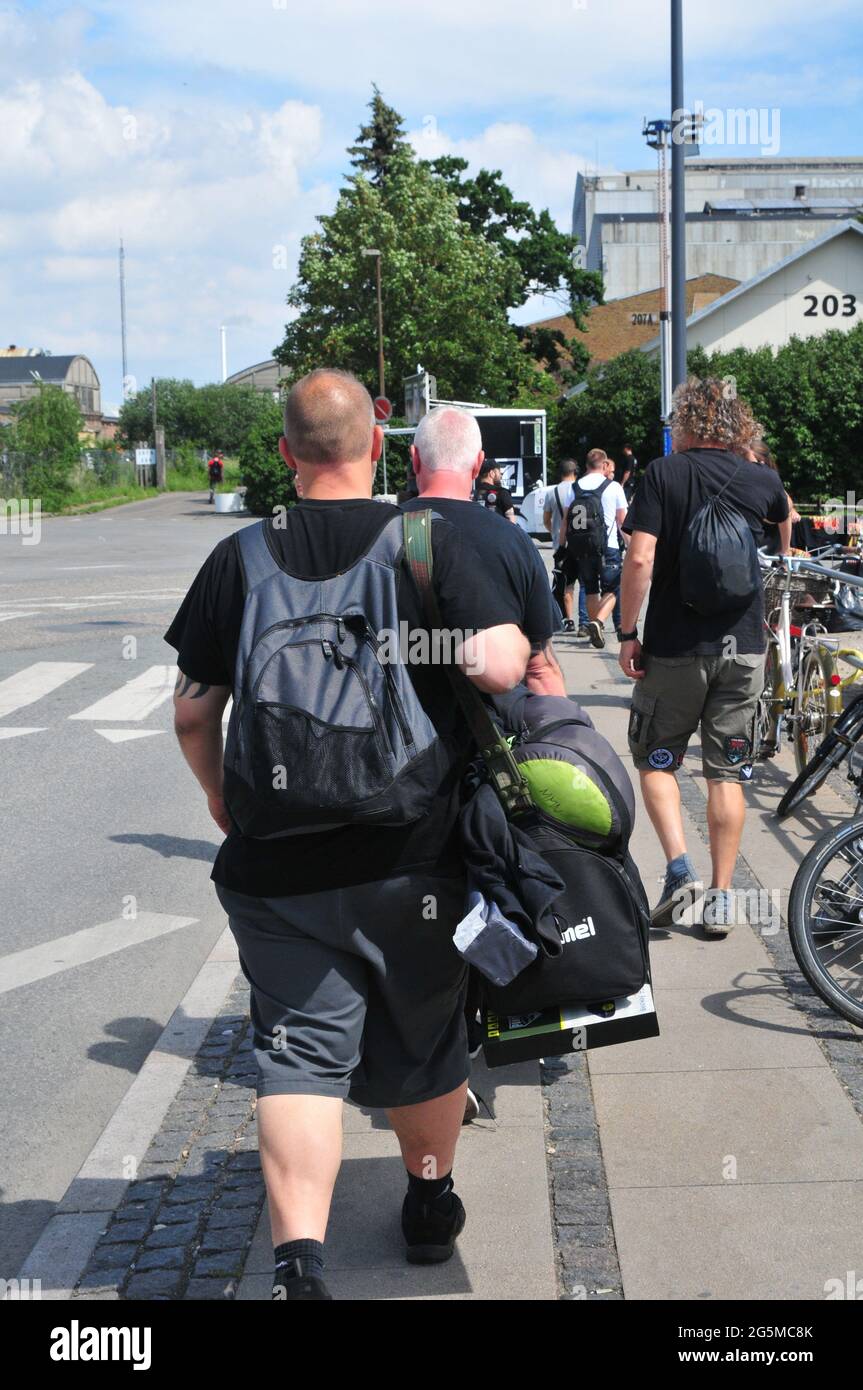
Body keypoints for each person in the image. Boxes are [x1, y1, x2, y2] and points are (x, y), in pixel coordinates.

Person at [166, 369, 530, 1300]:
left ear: (285, 454)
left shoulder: (239, 556)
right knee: (425, 1041)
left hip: (276, 865)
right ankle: (427, 1200)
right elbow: (497, 664)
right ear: (380, 445)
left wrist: (220, 802)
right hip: (415, 855)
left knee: (295, 1055)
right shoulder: (421, 538)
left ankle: (297, 1266)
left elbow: (194, 714)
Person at [405, 406, 567, 1113]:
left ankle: (427, 1057)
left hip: (393, 766)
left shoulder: (385, 534)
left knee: (414, 917)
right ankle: (470, 1041)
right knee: (484, 895)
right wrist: (566, 745)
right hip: (485, 763)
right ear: (477, 468)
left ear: (413, 466)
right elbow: (538, 665)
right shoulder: (506, 539)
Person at [617, 378, 791, 935]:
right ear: (738, 423)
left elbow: (640, 558)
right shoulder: (760, 477)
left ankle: (679, 870)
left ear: (684, 422)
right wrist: (784, 558)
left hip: (674, 649)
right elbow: (783, 511)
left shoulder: (663, 474)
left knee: (658, 758)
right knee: (726, 774)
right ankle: (720, 897)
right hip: (744, 649)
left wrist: (626, 630)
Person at [560, 447, 628, 650]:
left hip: (581, 548)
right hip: (608, 547)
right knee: (613, 588)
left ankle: (593, 630)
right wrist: (633, 546)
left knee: (590, 589)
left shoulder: (574, 488)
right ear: (605, 465)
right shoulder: (613, 486)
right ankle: (598, 622)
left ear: (587, 464)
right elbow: (623, 521)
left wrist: (561, 548)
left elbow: (565, 521)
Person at [543, 460, 583, 634]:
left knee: (566, 583)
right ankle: (586, 620)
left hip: (561, 546)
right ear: (575, 472)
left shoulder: (552, 493)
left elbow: (546, 519)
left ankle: (568, 620)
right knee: (585, 583)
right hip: (581, 542)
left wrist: (555, 532)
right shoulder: (581, 490)